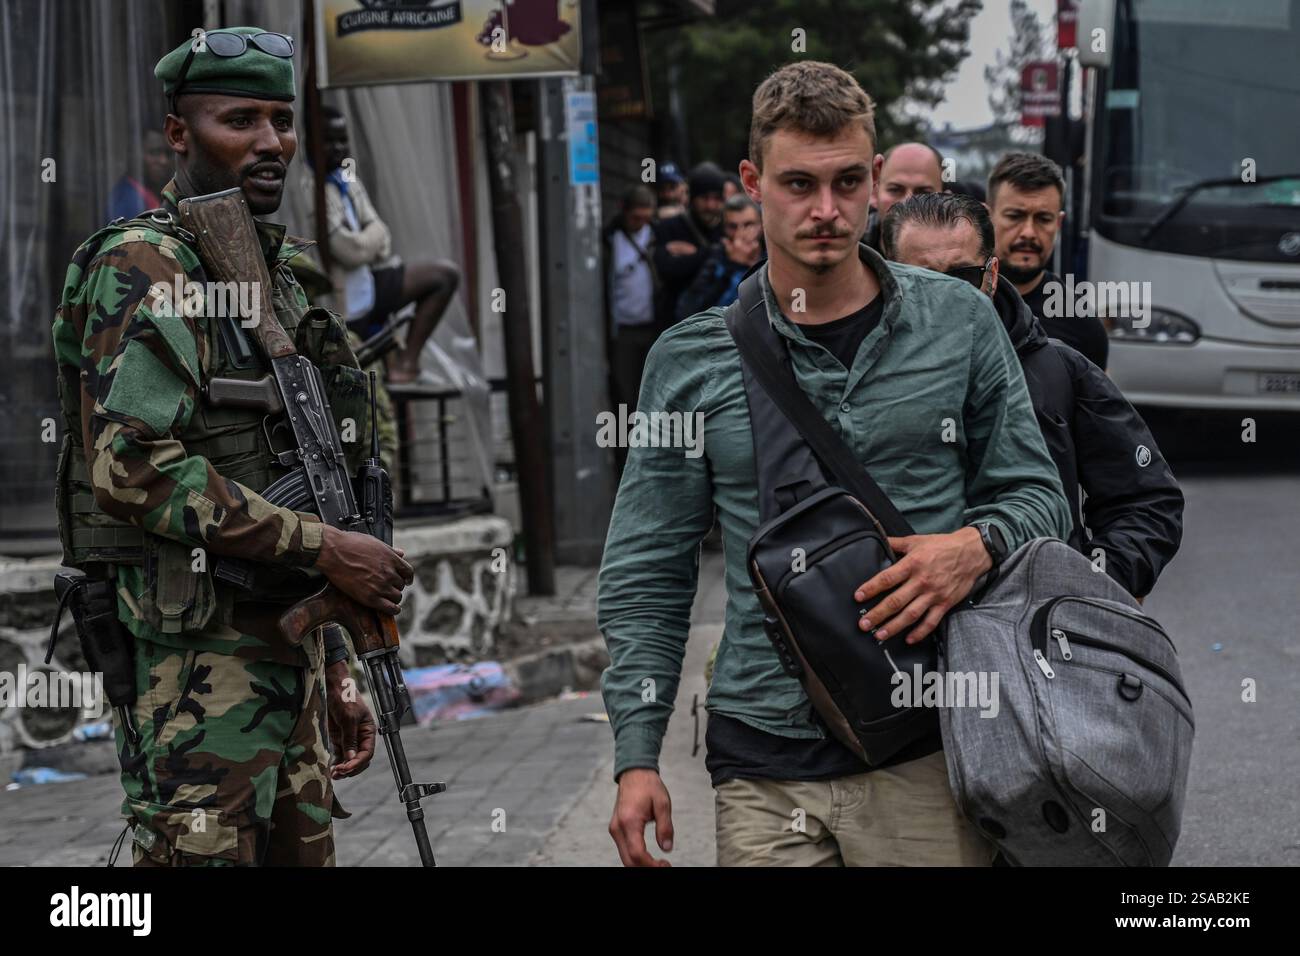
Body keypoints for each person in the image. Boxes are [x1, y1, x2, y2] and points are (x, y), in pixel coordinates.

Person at [598, 61, 1070, 868]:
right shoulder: (690, 360)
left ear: (876, 179)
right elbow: (649, 565)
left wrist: (975, 546)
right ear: (753, 182)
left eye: (847, 181)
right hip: (762, 754)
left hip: (928, 739)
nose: (826, 209)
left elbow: (1037, 493)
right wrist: (637, 755)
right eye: (798, 184)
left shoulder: (959, 320)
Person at [50, 26, 414, 866]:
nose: (271, 143)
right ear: (179, 133)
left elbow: (301, 473)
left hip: (287, 651)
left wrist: (335, 661)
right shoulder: (147, 266)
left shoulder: (263, 273)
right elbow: (130, 465)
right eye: (239, 120)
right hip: (193, 670)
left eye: (281, 121)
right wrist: (327, 549)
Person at [882, 192, 1184, 599]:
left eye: (961, 278)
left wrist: (1091, 586)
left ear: (991, 276)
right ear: (887, 276)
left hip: (1033, 628)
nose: (942, 297)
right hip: (892, 623)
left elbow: (1146, 500)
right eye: (921, 278)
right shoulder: (845, 373)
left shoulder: (1058, 370)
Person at [302, 104, 460, 384]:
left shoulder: (347, 180)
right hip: (341, 304)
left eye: (342, 140)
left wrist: (366, 243)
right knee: (360, 382)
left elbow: (383, 237)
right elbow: (351, 252)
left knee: (444, 275)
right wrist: (368, 242)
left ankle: (407, 363)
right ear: (311, 143)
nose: (338, 148)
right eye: (328, 140)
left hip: (368, 287)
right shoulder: (310, 189)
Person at [988, 151, 1109, 370]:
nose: (1029, 232)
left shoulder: (1082, 326)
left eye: (1043, 219)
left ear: (1058, 223)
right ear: (988, 217)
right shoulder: (957, 302)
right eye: (1015, 216)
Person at [603, 185, 660, 416]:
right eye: (636, 218)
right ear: (624, 211)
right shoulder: (610, 240)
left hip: (653, 326)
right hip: (623, 330)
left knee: (652, 392)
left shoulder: (657, 236)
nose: (641, 224)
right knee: (624, 393)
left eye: (646, 218)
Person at [651, 162, 725, 327]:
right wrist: (711, 253)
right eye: (704, 198)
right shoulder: (669, 227)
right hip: (677, 323)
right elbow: (666, 269)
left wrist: (694, 255)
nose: (710, 205)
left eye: (716, 198)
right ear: (692, 198)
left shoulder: (729, 228)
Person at [674, 193, 764, 321]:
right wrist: (733, 266)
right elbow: (689, 311)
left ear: (761, 225)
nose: (740, 233)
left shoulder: (773, 257)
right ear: (724, 228)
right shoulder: (714, 258)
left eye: (748, 224)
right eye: (732, 227)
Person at [864, 141, 945, 252]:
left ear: (945, 199)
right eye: (895, 190)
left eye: (924, 193)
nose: (908, 202)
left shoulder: (962, 254)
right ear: (874, 194)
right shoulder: (850, 246)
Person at [107, 129, 172, 221]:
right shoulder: (127, 199)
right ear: (134, 155)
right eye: (155, 153)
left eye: (168, 154)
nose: (164, 161)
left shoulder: (152, 191)